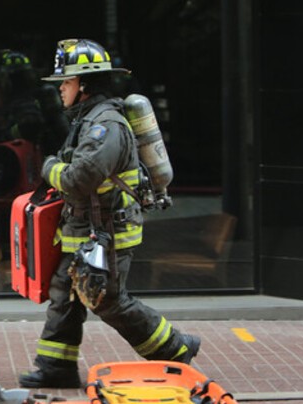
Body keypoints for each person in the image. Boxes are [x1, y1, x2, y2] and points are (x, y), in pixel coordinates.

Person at [18, 39, 200, 389]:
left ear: (84, 84)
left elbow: (77, 179)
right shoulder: (86, 120)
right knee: (66, 294)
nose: (61, 90)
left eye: (66, 83)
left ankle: (176, 348)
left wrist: (49, 166)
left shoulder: (106, 126)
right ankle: (56, 366)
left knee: (108, 300)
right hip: (86, 231)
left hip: (107, 234)